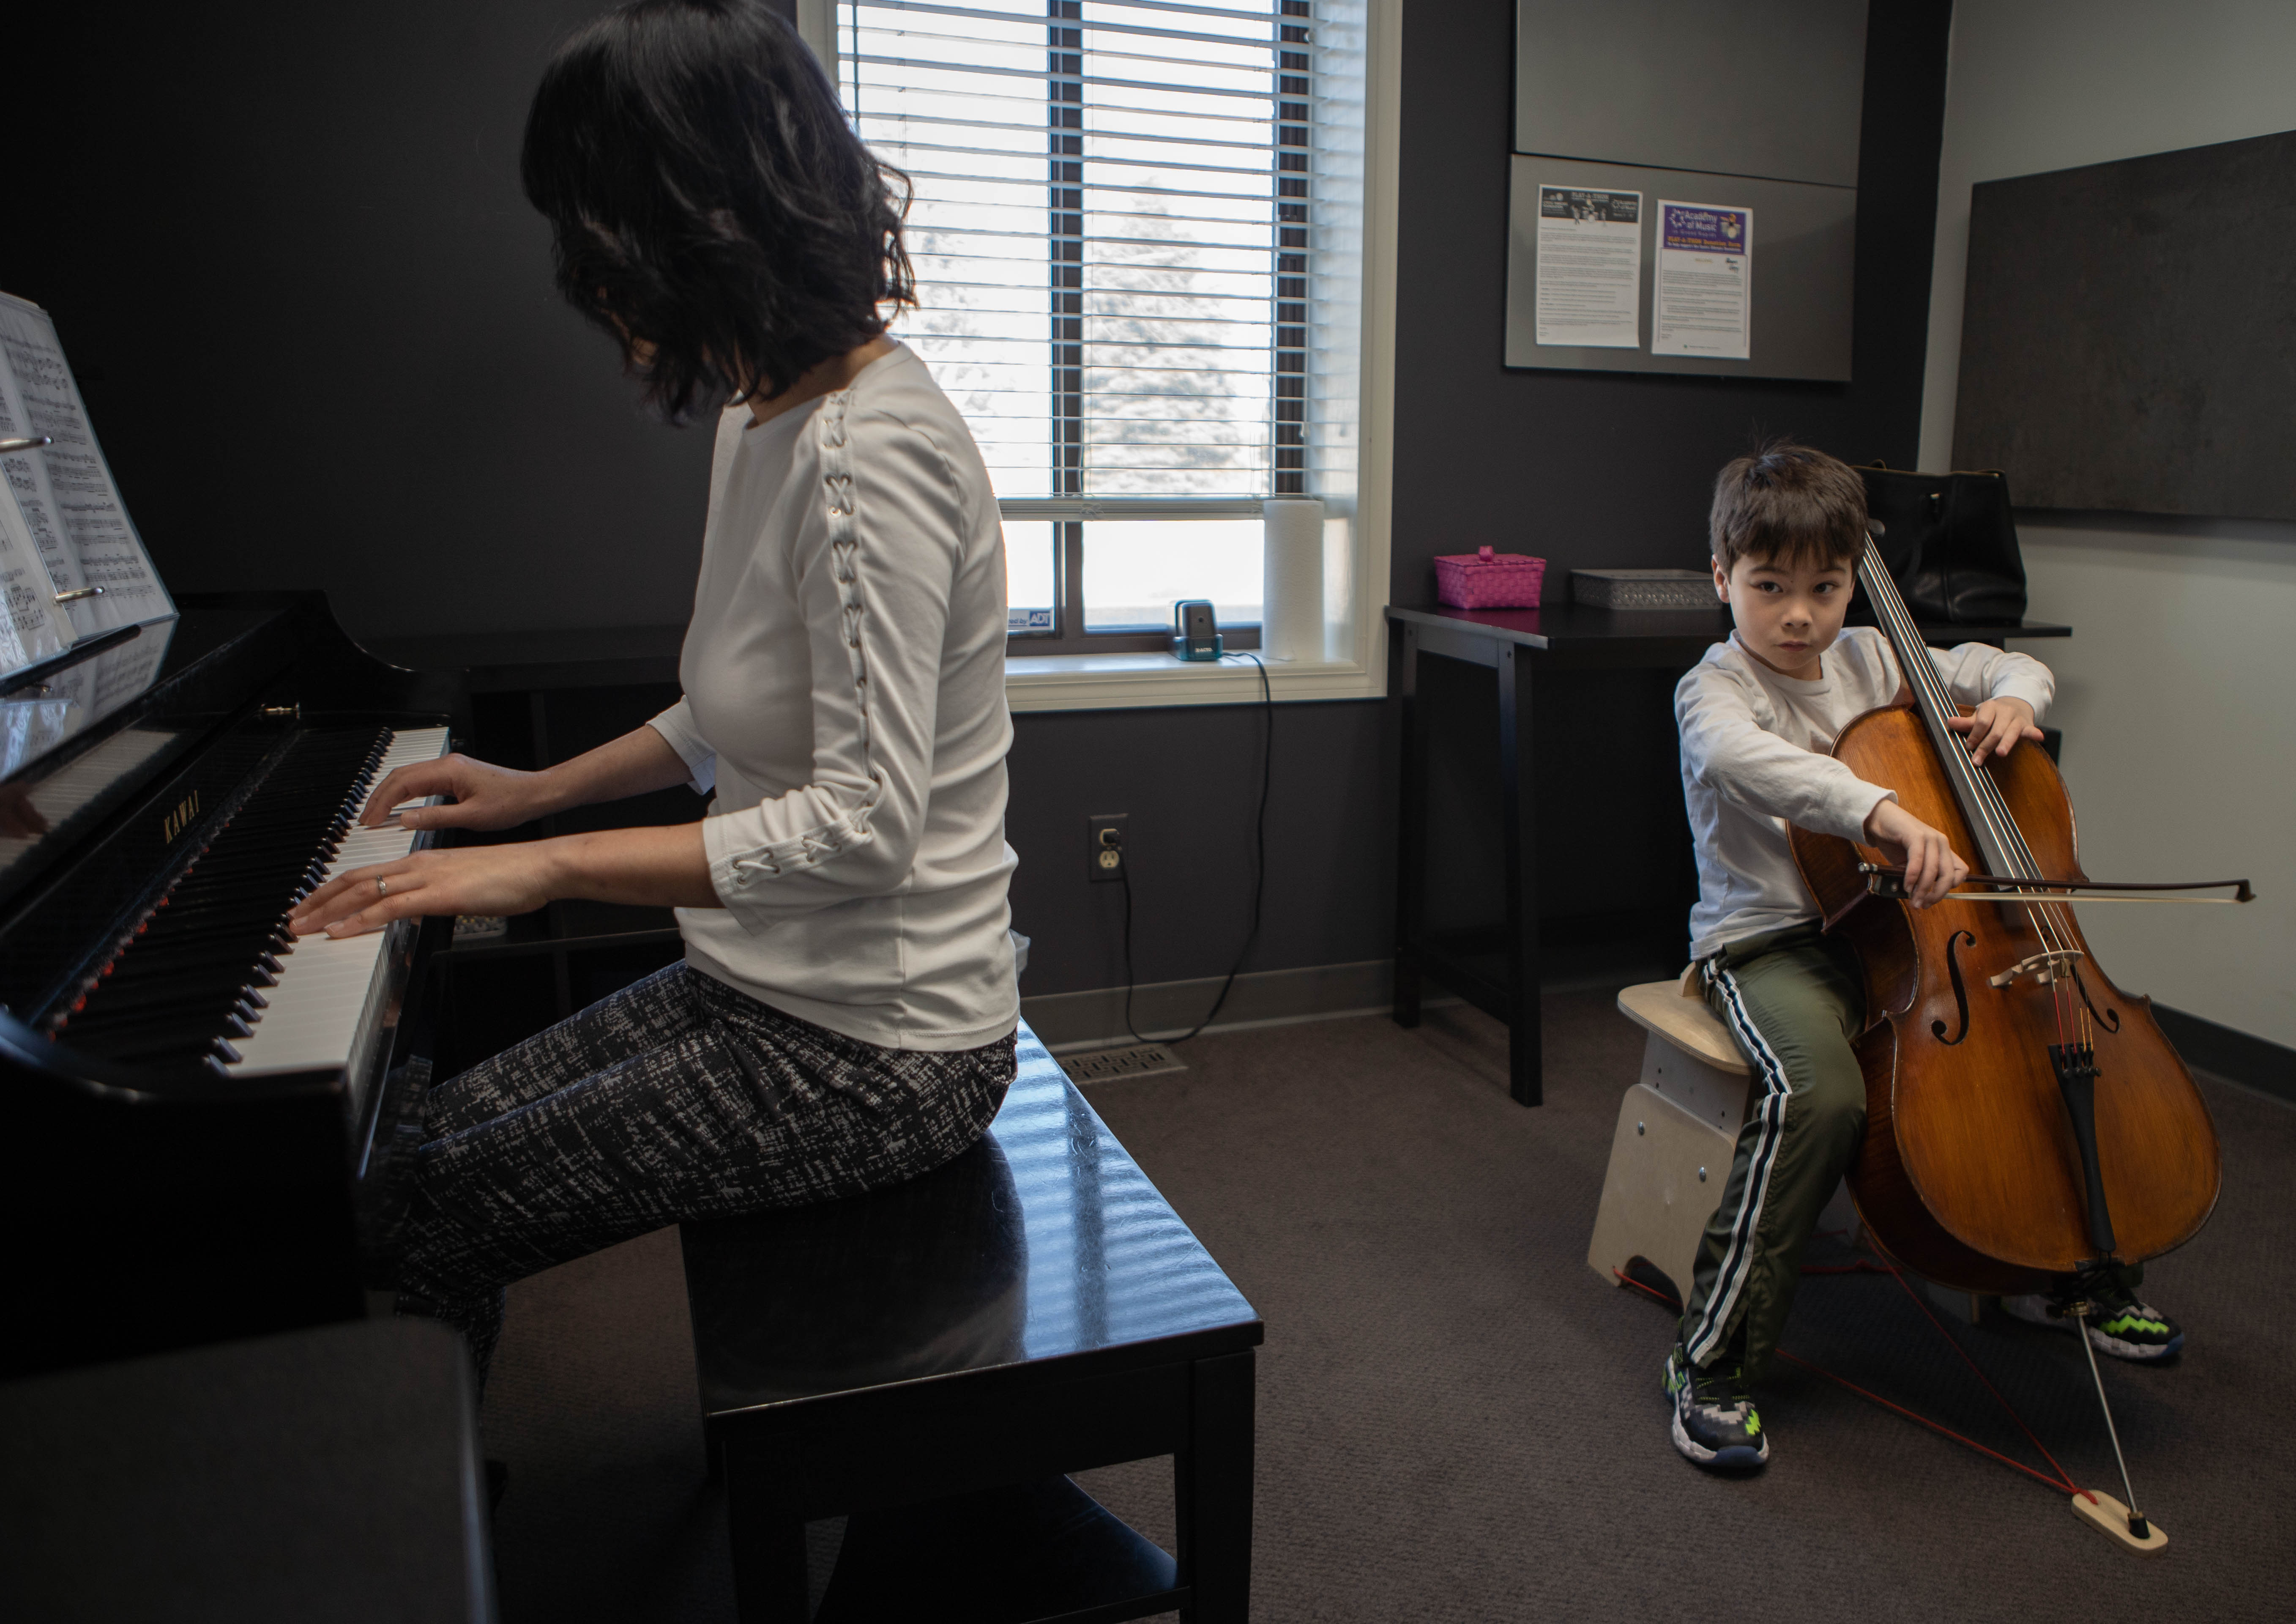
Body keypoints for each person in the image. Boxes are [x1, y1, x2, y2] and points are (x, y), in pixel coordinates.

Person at [287, 0, 1020, 1385]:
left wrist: (541, 871)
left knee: (411, 1204)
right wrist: (533, 793)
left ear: (697, 222)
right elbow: (736, 711)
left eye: (598, 235)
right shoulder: (770, 411)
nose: (588, 278)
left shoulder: (870, 456)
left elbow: (861, 823)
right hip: (763, 990)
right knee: (407, 1140)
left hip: (880, 1051)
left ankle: (425, 1555)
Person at [1665, 442, 2183, 1474]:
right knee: (1819, 1099)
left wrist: (2016, 701)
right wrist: (1883, 809)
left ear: (1854, 580)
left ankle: (2077, 1275)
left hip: (1914, 940)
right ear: (1722, 578)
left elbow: (2003, 661)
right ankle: (1711, 1364)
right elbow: (1748, 763)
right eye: (1769, 588)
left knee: (2038, 1047)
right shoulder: (1714, 689)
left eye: (1824, 586)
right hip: (1772, 945)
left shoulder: (1875, 655)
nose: (1800, 615)